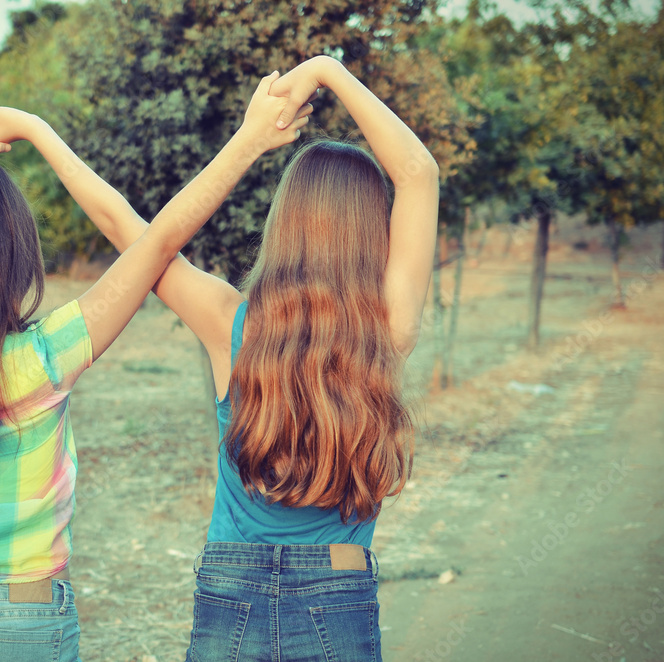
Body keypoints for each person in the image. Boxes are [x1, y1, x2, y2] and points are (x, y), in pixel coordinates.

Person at [0, 72, 310, 662]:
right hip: (26, 620)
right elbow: (157, 239)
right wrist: (247, 141)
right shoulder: (46, 357)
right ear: (16, 257)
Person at [74, 56, 439, 661]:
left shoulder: (228, 322)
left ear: (285, 222)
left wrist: (41, 133)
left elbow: (129, 228)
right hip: (337, 587)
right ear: (374, 231)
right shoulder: (387, 327)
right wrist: (329, 72)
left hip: (230, 587)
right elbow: (419, 173)